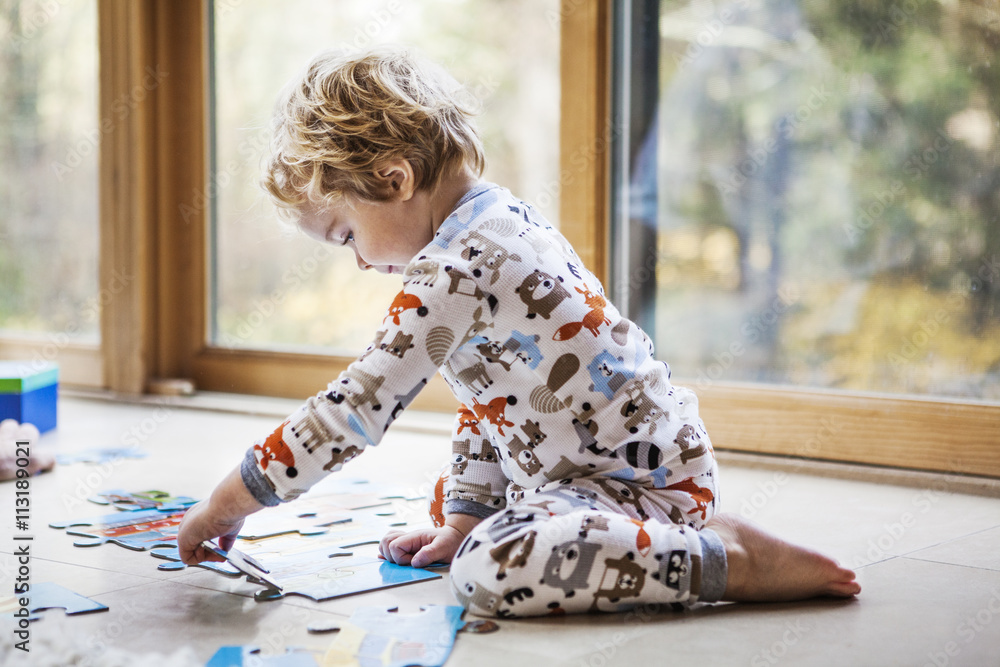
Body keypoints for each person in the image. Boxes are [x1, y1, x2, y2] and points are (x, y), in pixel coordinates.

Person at [177, 47, 860, 617]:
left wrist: (227, 501)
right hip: (617, 472)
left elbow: (354, 409)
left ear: (393, 178)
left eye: (346, 232)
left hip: (635, 481)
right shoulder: (500, 218)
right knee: (464, 531)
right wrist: (464, 517)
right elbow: (490, 400)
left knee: (489, 573)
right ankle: (667, 532)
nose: (357, 258)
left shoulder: (453, 268)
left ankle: (724, 559)